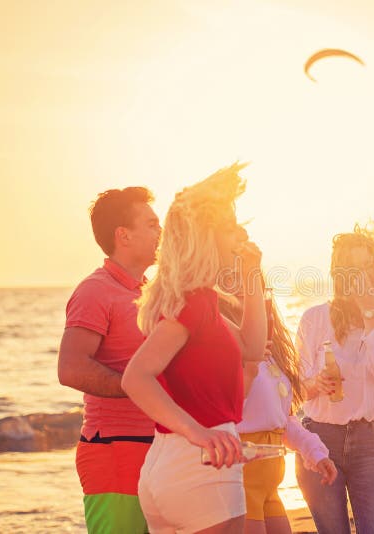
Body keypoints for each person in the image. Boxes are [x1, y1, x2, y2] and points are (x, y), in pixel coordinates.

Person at [121, 163, 267, 534]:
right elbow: (136, 377)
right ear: (208, 235)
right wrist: (198, 432)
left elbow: (252, 347)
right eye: (230, 227)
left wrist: (252, 275)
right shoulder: (194, 302)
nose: (240, 236)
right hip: (204, 469)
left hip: (167, 467)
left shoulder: (194, 300)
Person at [295, 222, 374, 534]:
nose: (363, 277)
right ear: (339, 273)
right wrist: (316, 384)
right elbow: (296, 390)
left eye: (368, 267)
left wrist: (369, 313)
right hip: (319, 440)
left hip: (370, 442)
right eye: (354, 268)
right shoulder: (314, 319)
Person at [57, 186, 160, 534]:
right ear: (123, 235)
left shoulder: (149, 292)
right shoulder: (95, 290)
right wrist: (137, 387)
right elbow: (70, 368)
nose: (160, 232)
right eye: (151, 224)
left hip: (158, 447)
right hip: (115, 450)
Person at [219, 291, 338, 534]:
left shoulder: (272, 360)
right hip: (242, 482)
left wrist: (316, 453)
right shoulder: (230, 355)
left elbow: (284, 421)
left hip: (270, 488)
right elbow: (220, 411)